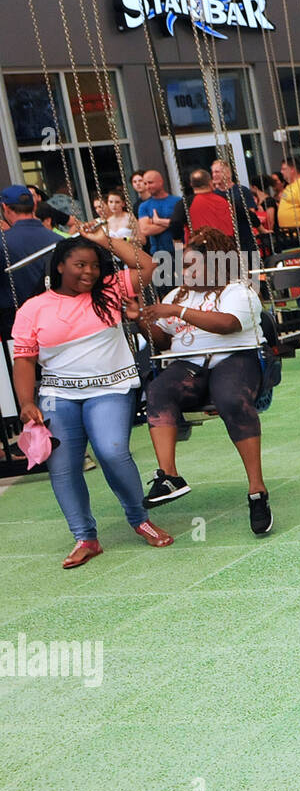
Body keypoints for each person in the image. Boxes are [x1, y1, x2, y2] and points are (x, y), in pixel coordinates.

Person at [11, 229, 172, 567]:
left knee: (113, 452)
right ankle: (85, 537)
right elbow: (24, 359)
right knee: (63, 466)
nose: (89, 272)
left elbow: (146, 264)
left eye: (95, 265)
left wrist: (103, 240)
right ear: (59, 267)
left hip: (111, 388)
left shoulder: (110, 291)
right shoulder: (32, 309)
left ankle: (139, 518)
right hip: (58, 394)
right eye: (79, 265)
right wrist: (26, 402)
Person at [139, 228, 273, 536]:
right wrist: (141, 320)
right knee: (158, 390)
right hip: (190, 364)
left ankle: (256, 490)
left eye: (191, 265)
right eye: (183, 265)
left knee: (230, 398)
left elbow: (228, 325)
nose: (184, 271)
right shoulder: (176, 294)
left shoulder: (239, 290)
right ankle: (169, 474)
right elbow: (161, 339)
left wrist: (178, 310)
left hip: (235, 358)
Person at [0, 185, 63, 338]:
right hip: (59, 322)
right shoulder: (59, 240)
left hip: (16, 328)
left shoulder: (3, 242)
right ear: (34, 205)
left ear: (5, 208)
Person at [168, 168, 236, 242]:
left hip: (201, 248)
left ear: (191, 184)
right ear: (210, 182)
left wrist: (178, 243)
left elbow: (175, 222)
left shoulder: (185, 203)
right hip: (227, 246)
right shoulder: (225, 199)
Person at [210, 159, 260, 254]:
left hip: (245, 237)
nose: (214, 175)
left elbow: (251, 213)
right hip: (225, 242)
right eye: (212, 172)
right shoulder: (213, 195)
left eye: (217, 172)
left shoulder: (242, 191)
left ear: (227, 173)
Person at [135, 170, 182, 259]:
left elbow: (184, 224)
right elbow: (145, 230)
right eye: (145, 184)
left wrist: (158, 221)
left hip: (180, 249)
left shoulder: (178, 201)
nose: (147, 186)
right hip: (159, 252)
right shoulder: (144, 206)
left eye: (150, 183)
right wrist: (172, 223)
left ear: (160, 182)